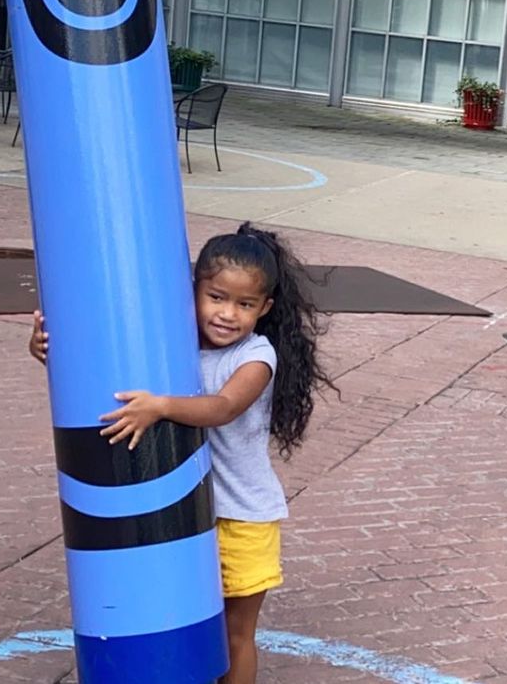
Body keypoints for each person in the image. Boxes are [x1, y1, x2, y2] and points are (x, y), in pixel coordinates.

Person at [29, 223, 335, 684]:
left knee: (235, 633)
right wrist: (47, 348)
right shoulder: (171, 342)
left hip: (243, 517)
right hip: (186, 517)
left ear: (264, 308)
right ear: (193, 290)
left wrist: (161, 407)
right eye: (216, 297)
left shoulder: (256, 357)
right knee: (184, 624)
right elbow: (107, 364)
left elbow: (222, 407)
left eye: (244, 304)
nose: (227, 313)